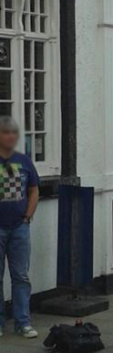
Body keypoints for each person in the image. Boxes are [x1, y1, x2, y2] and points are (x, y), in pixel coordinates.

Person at [0, 117, 40, 339]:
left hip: (19, 228)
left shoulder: (24, 161)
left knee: (21, 276)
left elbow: (33, 190)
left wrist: (27, 216)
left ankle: (23, 322)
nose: (10, 136)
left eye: (13, 133)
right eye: (5, 132)